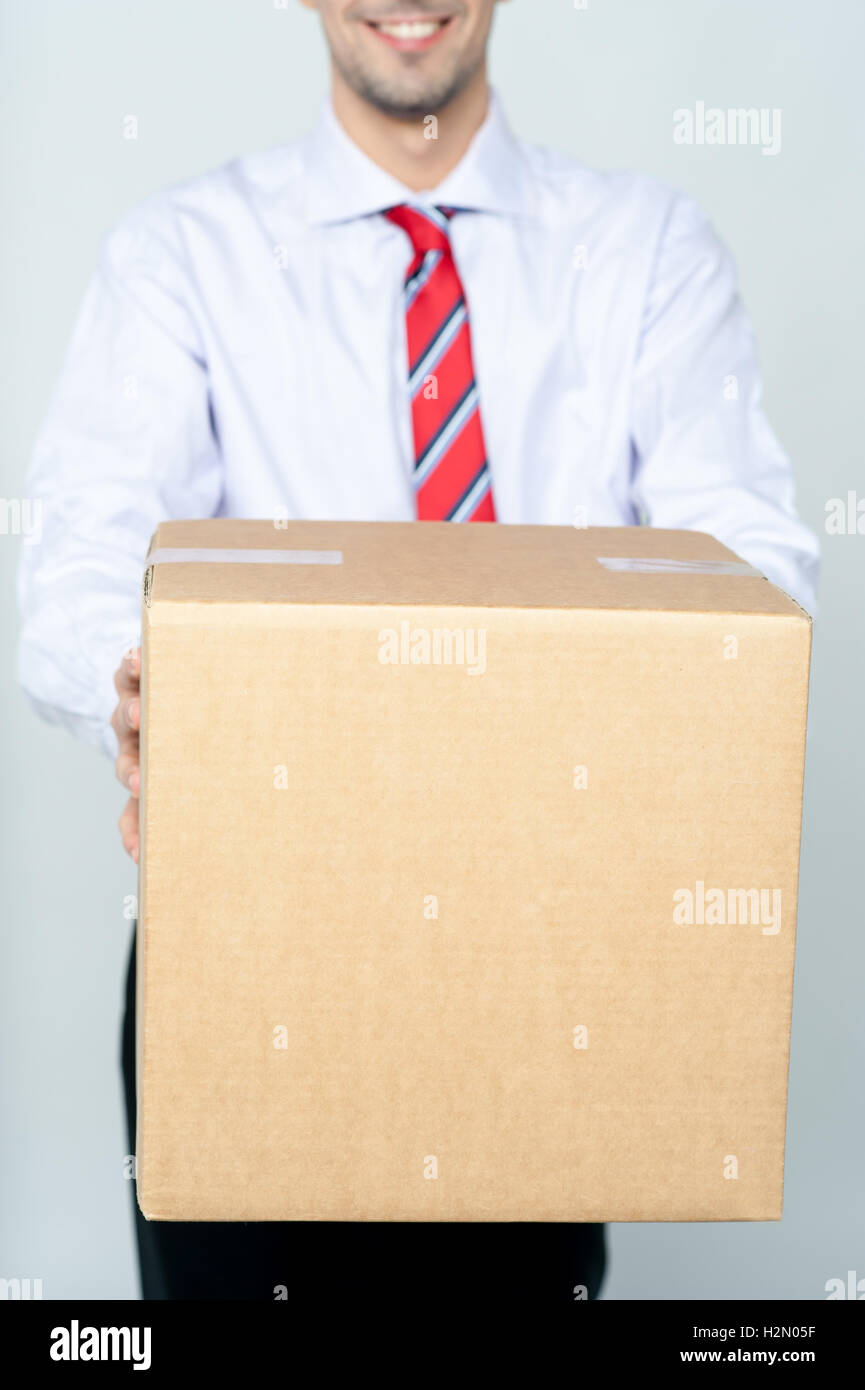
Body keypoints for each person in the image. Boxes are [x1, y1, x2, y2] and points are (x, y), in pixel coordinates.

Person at [18, 0, 819, 1303]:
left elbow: (751, 564)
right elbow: (73, 573)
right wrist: (152, 682)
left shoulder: (642, 251)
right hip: (250, 939)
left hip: (545, 944)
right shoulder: (179, 256)